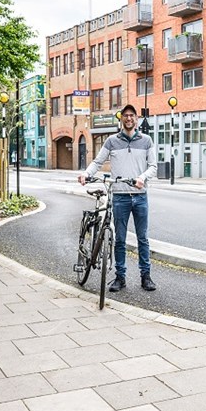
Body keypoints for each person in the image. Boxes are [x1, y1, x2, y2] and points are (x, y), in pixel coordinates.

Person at [78, 104, 158, 292]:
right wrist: (85, 174)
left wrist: (142, 178)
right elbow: (97, 162)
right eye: (125, 116)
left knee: (143, 238)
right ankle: (120, 277)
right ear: (121, 119)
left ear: (136, 119)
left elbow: (153, 166)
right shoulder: (112, 141)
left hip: (140, 196)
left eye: (132, 115)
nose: (128, 118)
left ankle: (145, 276)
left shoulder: (146, 140)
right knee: (120, 239)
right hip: (120, 196)